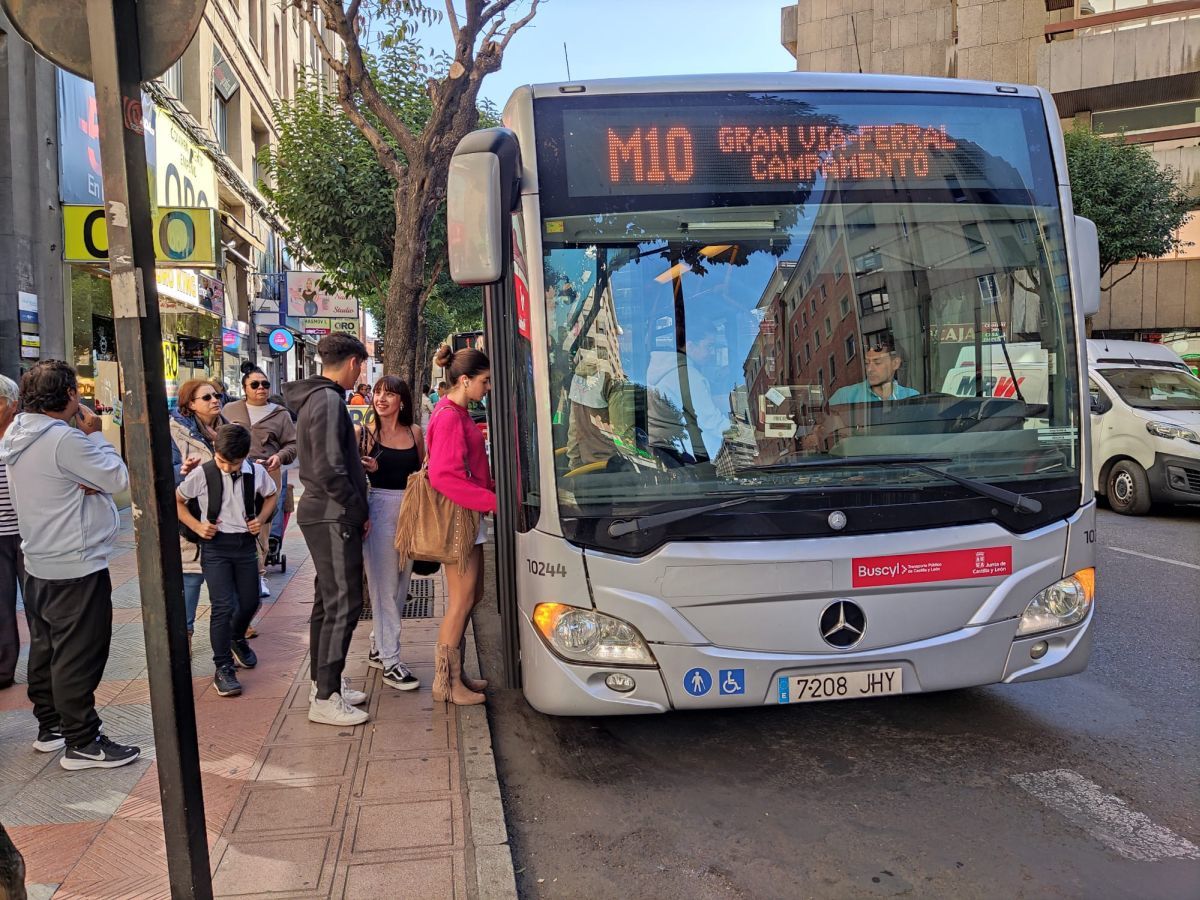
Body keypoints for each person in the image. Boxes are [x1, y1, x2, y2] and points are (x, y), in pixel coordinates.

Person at [0, 360, 139, 769]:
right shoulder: (66, 441)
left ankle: (52, 726)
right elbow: (117, 479)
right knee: (79, 653)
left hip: (41, 557)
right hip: (75, 562)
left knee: (47, 648)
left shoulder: (18, 435)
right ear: (71, 397)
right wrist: (95, 437)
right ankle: (82, 740)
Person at [282, 333, 372, 726]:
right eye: (362, 366)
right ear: (353, 362)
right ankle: (325, 695)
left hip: (325, 511)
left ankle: (325, 681)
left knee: (328, 600)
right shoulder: (329, 400)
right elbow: (330, 469)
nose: (361, 373)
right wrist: (355, 507)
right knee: (344, 602)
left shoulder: (316, 399)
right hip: (334, 514)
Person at [176, 424, 277, 698]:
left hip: (244, 545)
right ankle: (223, 667)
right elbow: (178, 501)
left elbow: (271, 494)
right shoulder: (203, 473)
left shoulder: (256, 472)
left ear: (244, 457)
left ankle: (236, 637)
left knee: (251, 600)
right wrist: (197, 527)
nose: (225, 467)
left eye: (231, 464)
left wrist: (261, 518)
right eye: (220, 460)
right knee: (222, 605)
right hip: (215, 547)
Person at [427, 344, 495, 706]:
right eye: (484, 381)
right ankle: (446, 682)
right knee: (462, 600)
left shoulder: (450, 410)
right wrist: (492, 501)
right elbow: (443, 475)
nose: (487, 388)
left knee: (470, 597)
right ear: (465, 380)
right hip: (460, 519)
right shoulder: (452, 415)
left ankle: (456, 675)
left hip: (466, 516)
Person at [356, 376, 423, 691]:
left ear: (403, 401)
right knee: (384, 588)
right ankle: (391, 660)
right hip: (379, 509)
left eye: (389, 393)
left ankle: (377, 645)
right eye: (378, 392)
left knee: (400, 585)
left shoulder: (415, 433)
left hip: (410, 511)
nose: (381, 398)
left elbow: (424, 472)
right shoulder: (365, 434)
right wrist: (363, 470)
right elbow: (350, 475)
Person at [223, 367, 298, 599]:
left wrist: (280, 457)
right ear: (245, 388)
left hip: (266, 475)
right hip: (232, 476)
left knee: (261, 524)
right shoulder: (230, 410)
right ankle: (235, 574)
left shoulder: (280, 414)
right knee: (233, 521)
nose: (261, 389)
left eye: (265, 384)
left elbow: (293, 445)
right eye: (255, 385)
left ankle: (259, 574)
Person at [169, 378, 227, 650]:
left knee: (228, 582)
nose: (215, 400)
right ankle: (186, 637)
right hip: (190, 516)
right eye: (206, 397)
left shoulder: (227, 430)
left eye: (216, 395)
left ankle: (231, 638)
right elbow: (168, 472)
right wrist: (183, 472)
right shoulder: (176, 432)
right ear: (190, 404)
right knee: (191, 576)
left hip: (226, 517)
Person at [807, 336, 919, 450]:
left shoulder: (912, 397)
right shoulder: (844, 397)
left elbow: (920, 442)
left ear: (895, 363)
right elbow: (813, 439)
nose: (870, 369)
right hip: (856, 465)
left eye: (877, 362)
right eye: (867, 363)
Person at [0, 375, 21, 690]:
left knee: (40, 602)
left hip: (29, 530)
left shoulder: (23, 437)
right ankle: (3, 669)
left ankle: (46, 665)